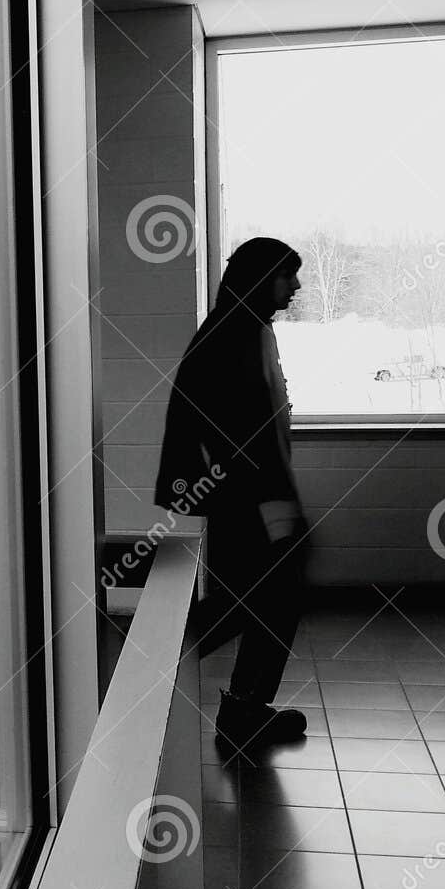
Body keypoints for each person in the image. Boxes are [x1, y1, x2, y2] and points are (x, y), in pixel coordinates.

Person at [155, 237, 309, 754]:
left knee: (258, 600)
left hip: (251, 493)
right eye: (287, 275)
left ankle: (238, 707)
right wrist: (275, 507)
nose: (296, 285)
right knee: (254, 601)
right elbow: (240, 433)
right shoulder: (235, 333)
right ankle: (153, 673)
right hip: (250, 496)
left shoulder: (247, 326)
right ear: (261, 278)